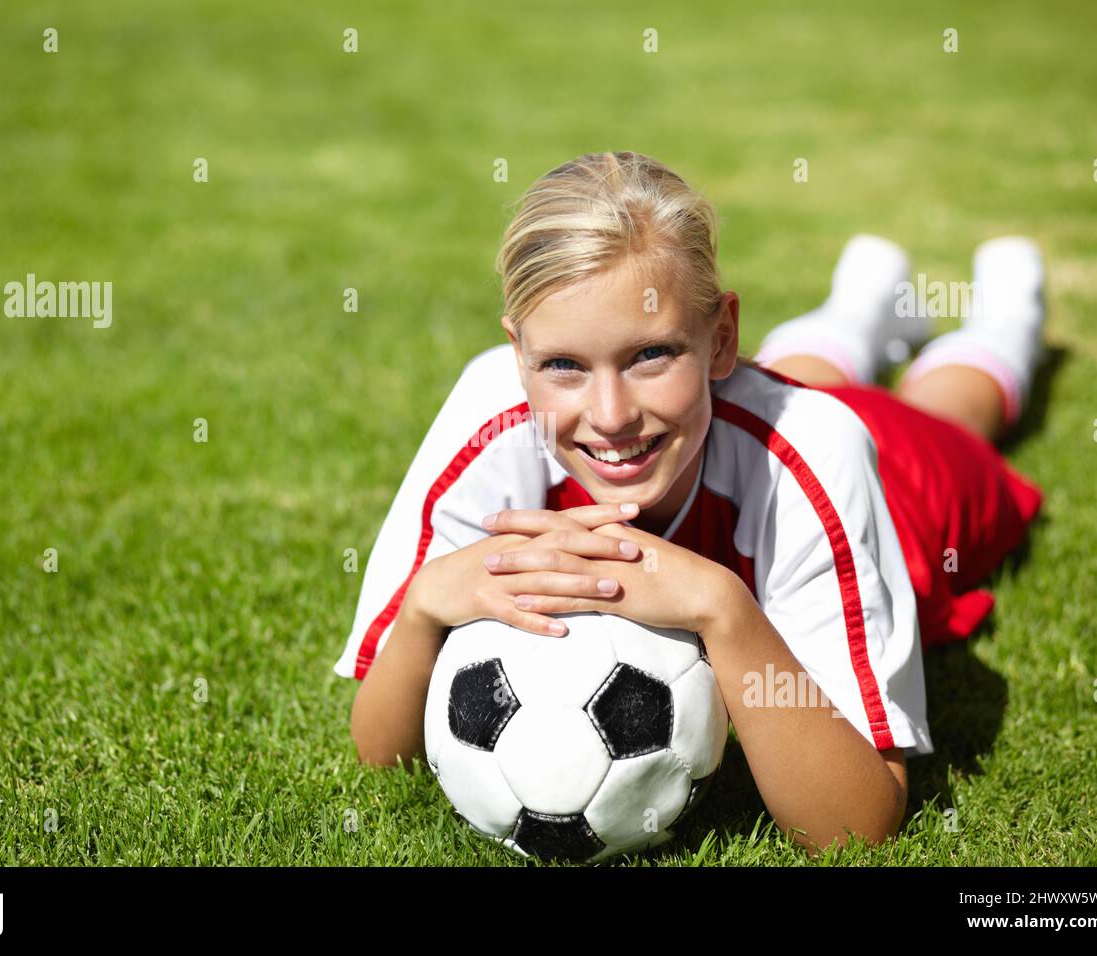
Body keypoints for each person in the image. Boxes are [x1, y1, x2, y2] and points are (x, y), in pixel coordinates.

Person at [334, 151, 1044, 852]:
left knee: (947, 412)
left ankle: (1006, 317)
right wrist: (426, 605)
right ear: (518, 355)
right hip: (728, 413)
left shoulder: (817, 454)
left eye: (651, 355)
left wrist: (722, 608)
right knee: (789, 377)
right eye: (563, 365)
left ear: (721, 337)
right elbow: (382, 756)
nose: (610, 416)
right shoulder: (494, 416)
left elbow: (856, 826)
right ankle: (861, 300)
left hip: (898, 483)